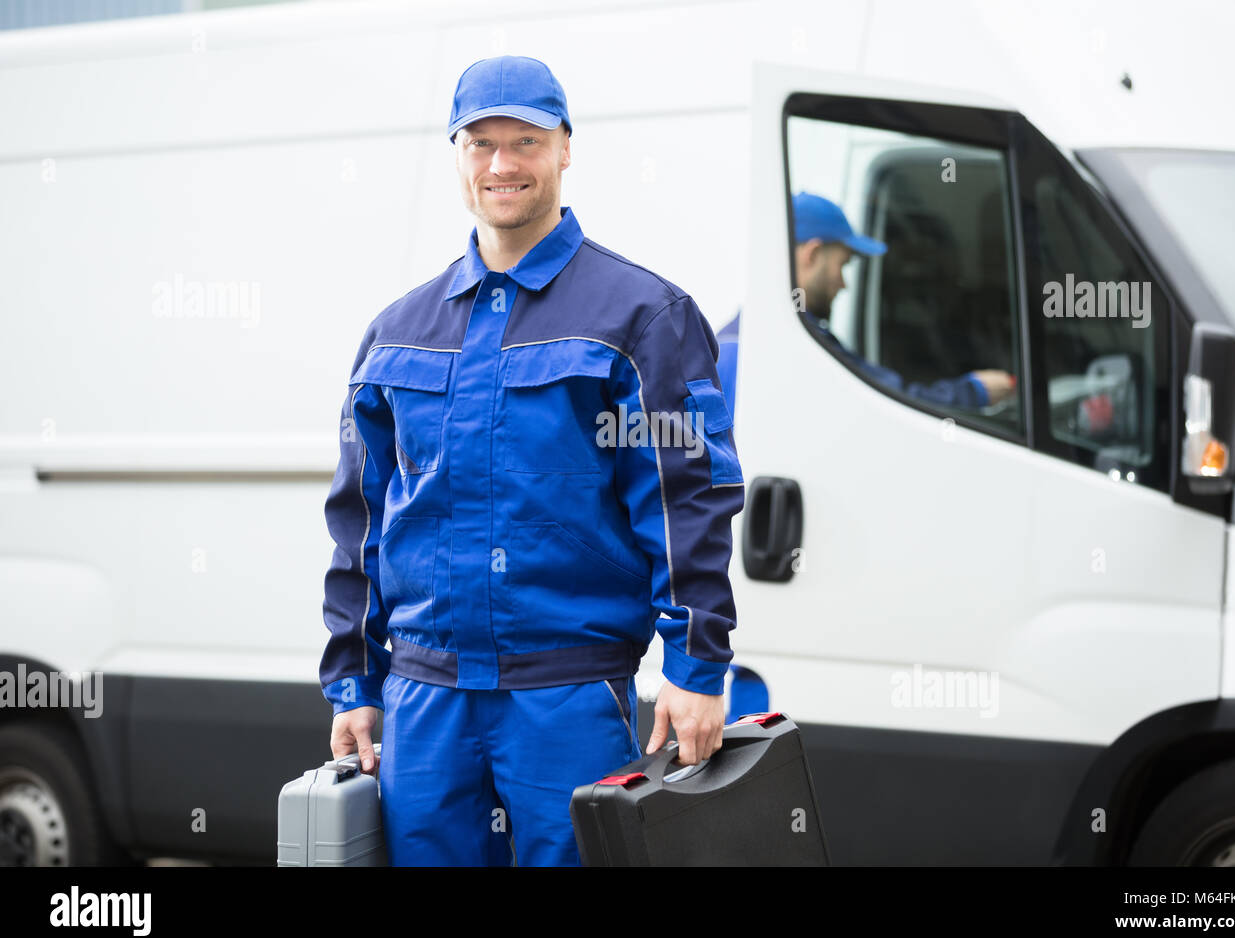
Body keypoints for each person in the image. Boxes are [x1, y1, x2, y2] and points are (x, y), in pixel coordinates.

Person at [319, 55, 744, 866]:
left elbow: (688, 498)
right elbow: (360, 523)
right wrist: (353, 680)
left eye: (525, 141)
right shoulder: (397, 332)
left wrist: (697, 664)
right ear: (457, 154)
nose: (502, 164)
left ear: (565, 149)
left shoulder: (642, 317)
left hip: (569, 697)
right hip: (424, 702)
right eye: (481, 144)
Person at [717, 192, 1014, 420]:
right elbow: (890, 399)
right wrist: (973, 391)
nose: (843, 284)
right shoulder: (771, 349)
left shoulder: (744, 342)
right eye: (842, 265)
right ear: (812, 254)